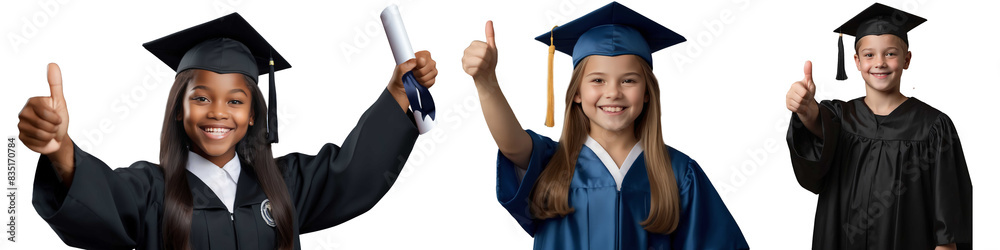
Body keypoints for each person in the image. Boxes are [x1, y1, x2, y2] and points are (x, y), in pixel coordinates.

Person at [19, 13, 437, 249]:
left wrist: (398, 94)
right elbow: (101, 201)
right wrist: (60, 150)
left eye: (235, 101)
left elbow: (354, 172)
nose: (218, 113)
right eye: (201, 98)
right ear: (178, 109)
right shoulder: (151, 191)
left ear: (253, 114)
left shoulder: (285, 185)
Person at [462, 2, 748, 249]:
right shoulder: (553, 163)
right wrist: (487, 84)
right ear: (577, 93)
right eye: (597, 80)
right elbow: (512, 146)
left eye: (629, 80)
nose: (613, 92)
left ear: (647, 93)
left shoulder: (679, 173)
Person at [784, 3, 972, 249]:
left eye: (890, 54)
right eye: (869, 54)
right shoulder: (841, 118)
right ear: (856, 61)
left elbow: (949, 215)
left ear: (907, 59)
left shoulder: (933, 127)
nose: (880, 63)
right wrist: (805, 110)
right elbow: (818, 126)